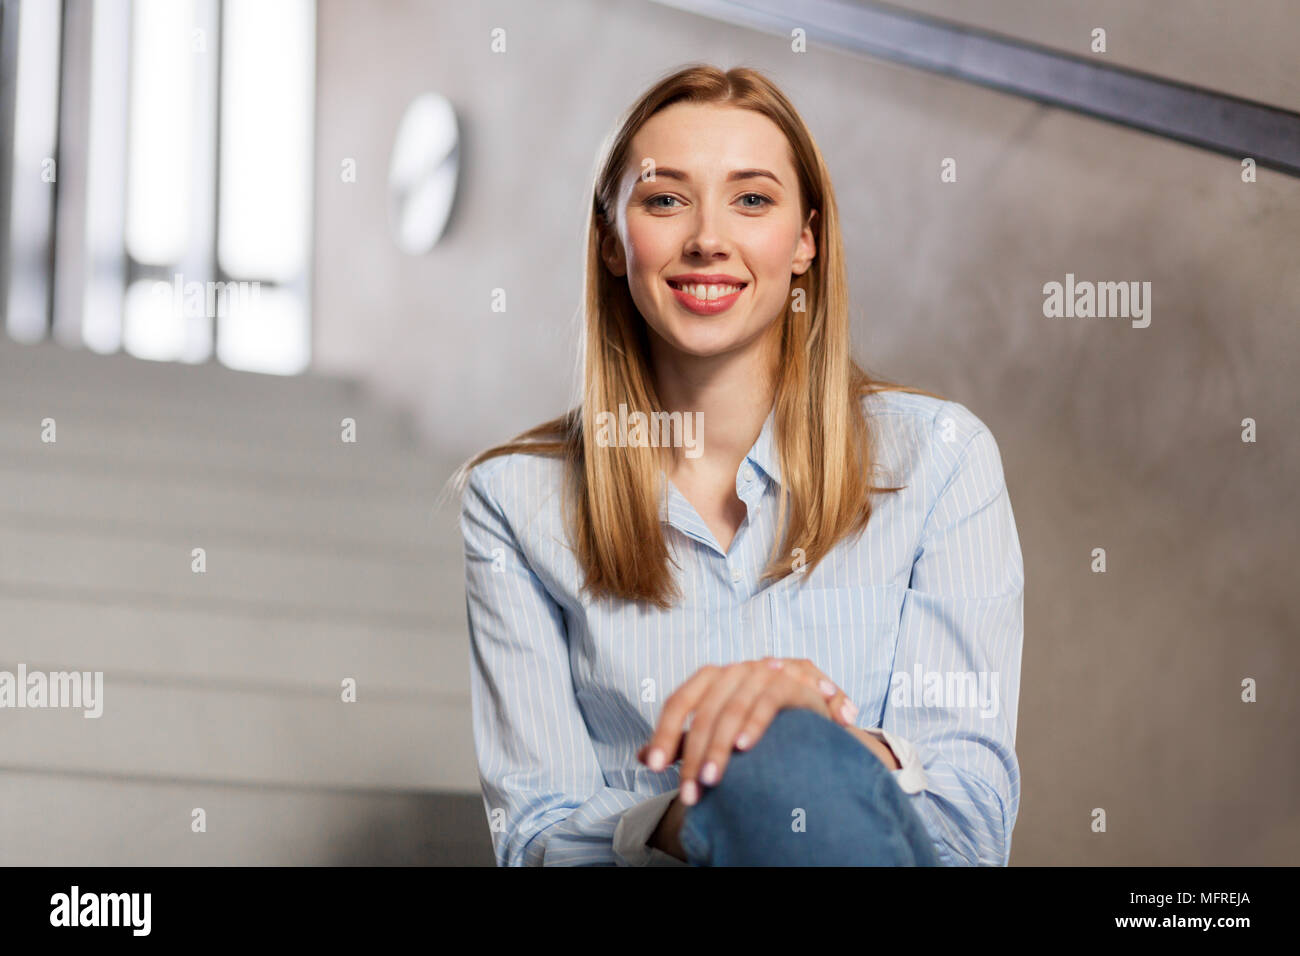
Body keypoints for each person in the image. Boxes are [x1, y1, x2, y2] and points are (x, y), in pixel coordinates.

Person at [452, 64, 1024, 866]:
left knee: (792, 754)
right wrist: (718, 801)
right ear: (613, 242)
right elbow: (539, 839)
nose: (708, 237)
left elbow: (969, 828)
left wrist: (814, 748)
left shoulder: (941, 461)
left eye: (751, 199)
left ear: (805, 242)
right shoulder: (515, 500)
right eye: (664, 199)